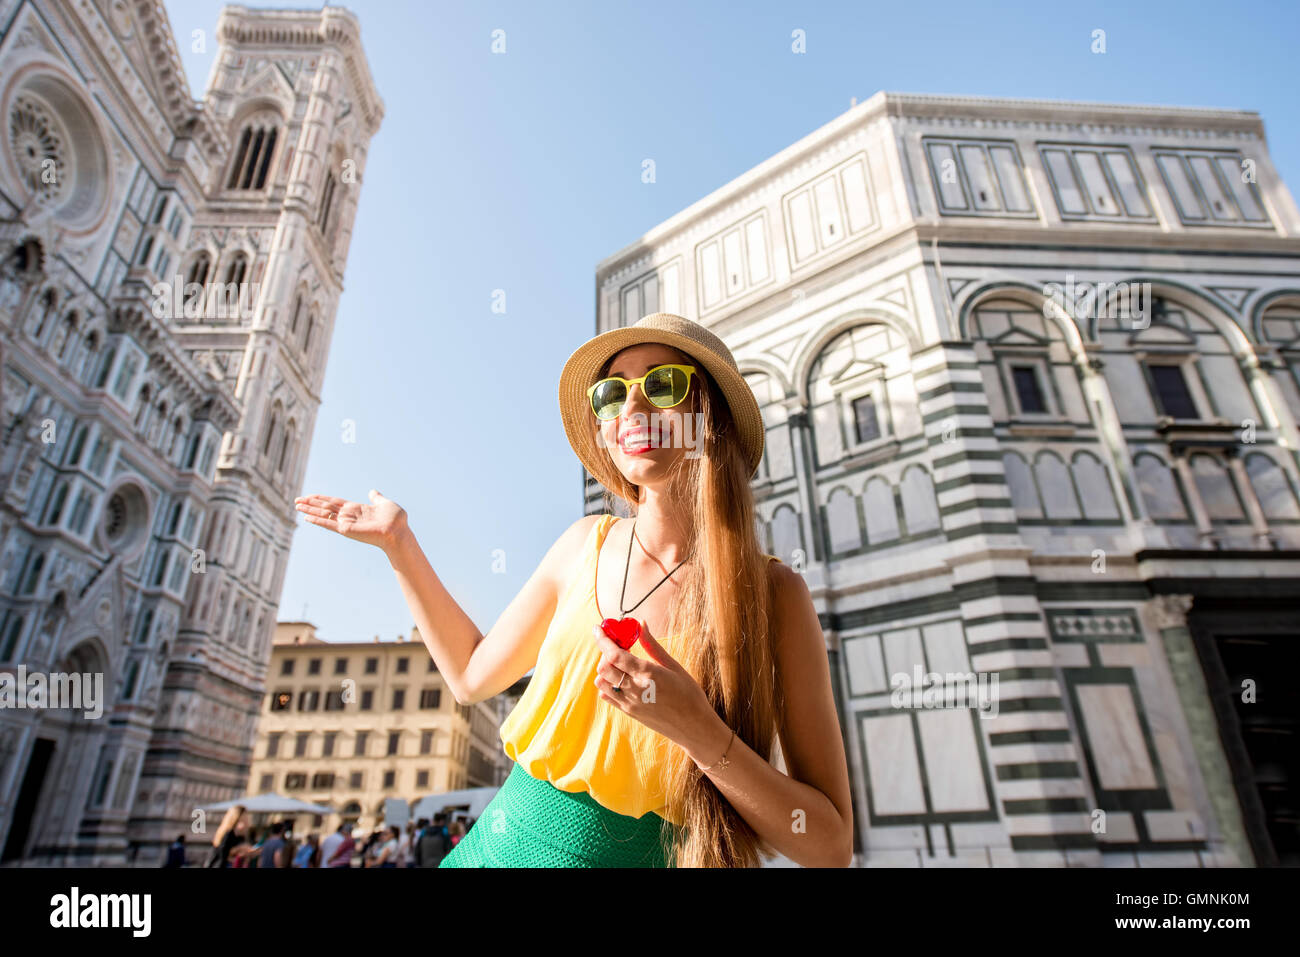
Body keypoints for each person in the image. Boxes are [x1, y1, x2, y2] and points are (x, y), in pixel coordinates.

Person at [294, 312, 854, 868]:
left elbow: (828, 845)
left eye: (661, 385)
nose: (630, 409)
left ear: (709, 417)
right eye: (610, 395)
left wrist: (703, 735)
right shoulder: (582, 543)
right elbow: (470, 675)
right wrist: (399, 543)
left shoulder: (775, 595)